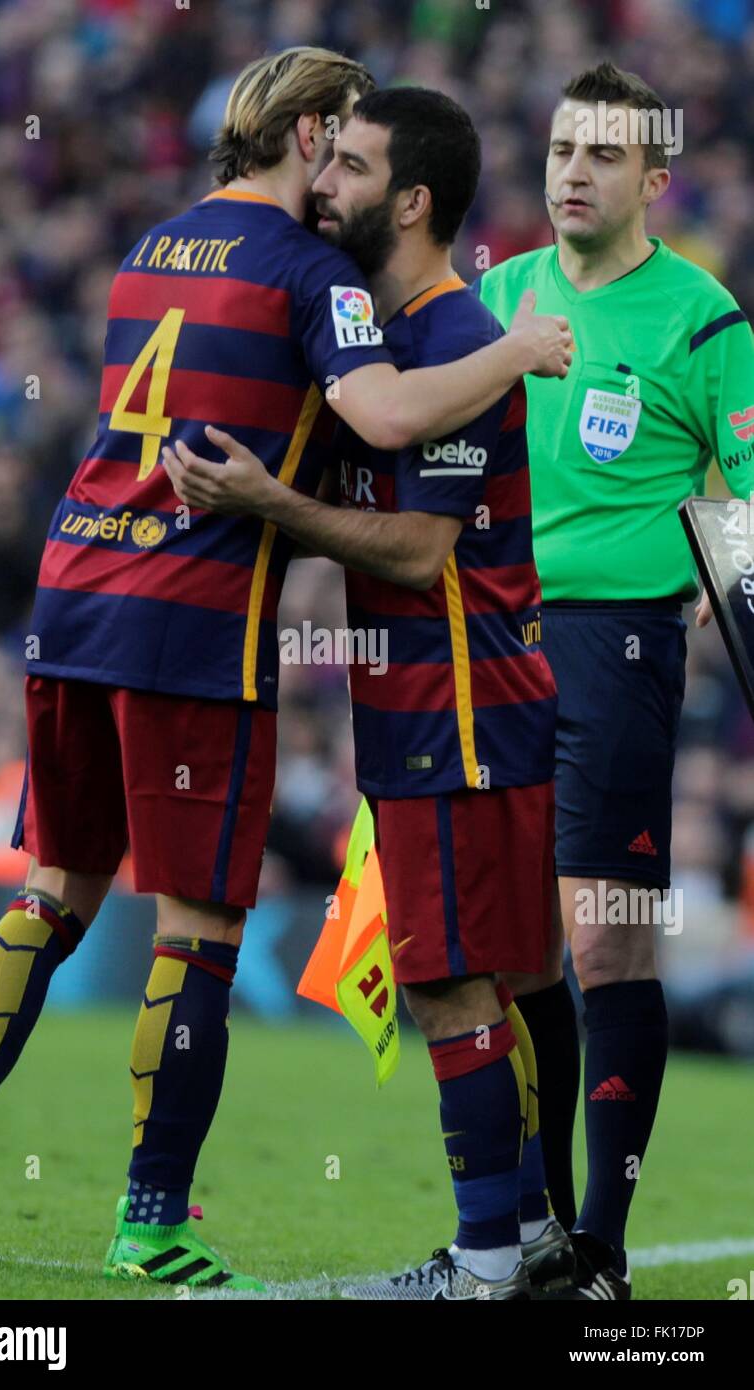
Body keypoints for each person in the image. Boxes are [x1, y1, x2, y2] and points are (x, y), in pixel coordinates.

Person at [0, 48, 571, 1291]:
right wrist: (516, 348)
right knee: (204, 921)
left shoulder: (147, 250)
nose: (342, 173)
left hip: (71, 594)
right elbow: (380, 419)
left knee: (53, 882)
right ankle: (151, 1214)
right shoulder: (316, 275)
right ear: (313, 131)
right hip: (189, 625)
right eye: (345, 141)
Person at [164, 87, 574, 1302]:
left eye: (345, 166)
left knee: (450, 980)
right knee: (476, 978)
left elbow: (412, 553)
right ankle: (532, 1233)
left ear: (409, 202)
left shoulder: (452, 340)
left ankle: (485, 1261)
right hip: (418, 706)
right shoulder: (379, 346)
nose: (320, 183)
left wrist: (269, 508)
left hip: (462, 702)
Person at [475, 61, 754, 1299]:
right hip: (487, 641)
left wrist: (719, 553)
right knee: (512, 946)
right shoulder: (492, 299)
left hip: (617, 645)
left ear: (652, 178)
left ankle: (600, 1247)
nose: (571, 173)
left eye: (600, 155)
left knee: (610, 938)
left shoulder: (701, 320)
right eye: (559, 151)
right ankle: (537, 1232)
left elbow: (751, 488)